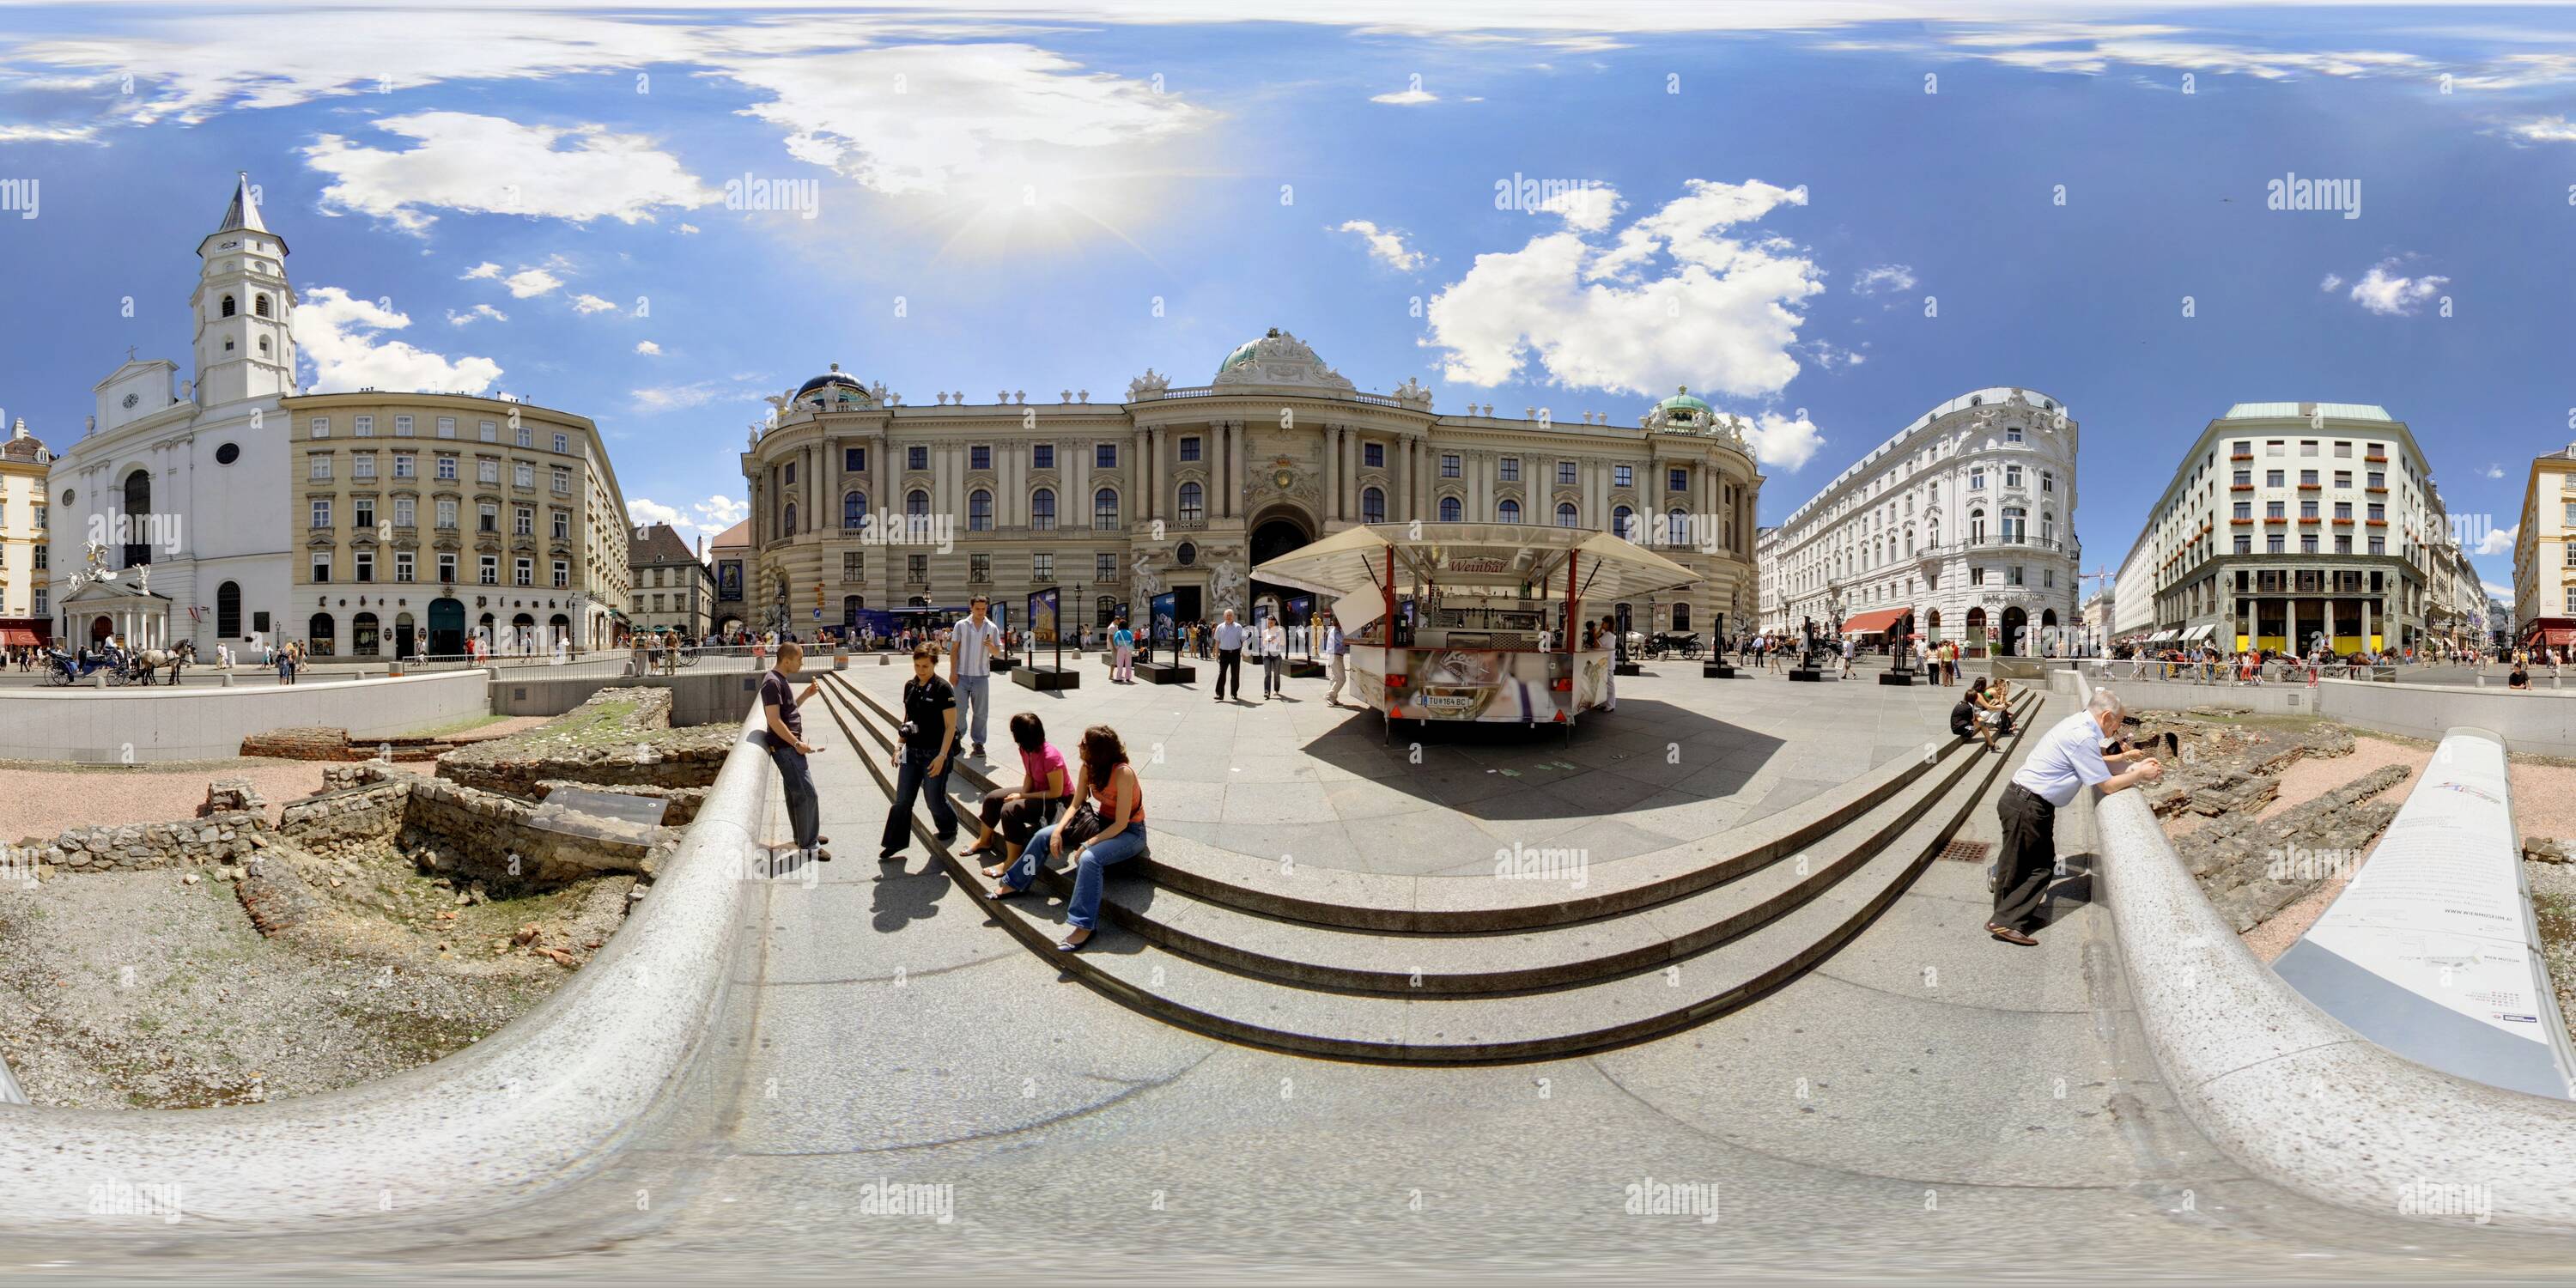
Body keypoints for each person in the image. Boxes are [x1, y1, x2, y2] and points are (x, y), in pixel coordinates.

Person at [1988, 689, 2163, 945]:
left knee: (2017, 864)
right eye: (2117, 722)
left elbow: (2098, 763)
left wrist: (2133, 766)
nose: (2116, 730)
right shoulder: (2082, 736)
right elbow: (2108, 786)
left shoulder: (2078, 726)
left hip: (2024, 801)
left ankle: (2013, 916)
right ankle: (2005, 921)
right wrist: (2139, 775)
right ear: (2106, 717)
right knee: (2038, 867)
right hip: (2028, 804)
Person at [994, 723, 1148, 952]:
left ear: (1098, 750)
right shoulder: (1089, 768)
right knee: (1042, 835)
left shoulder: (1122, 773)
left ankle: (1084, 925)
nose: (1079, 745)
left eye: (1084, 743)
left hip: (1130, 832)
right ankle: (1016, 882)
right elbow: (1076, 803)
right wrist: (1058, 830)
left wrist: (1088, 844)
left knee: (1089, 859)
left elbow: (1121, 823)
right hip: (1100, 823)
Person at [880, 643, 961, 862]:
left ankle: (949, 824)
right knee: (902, 799)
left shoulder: (943, 689)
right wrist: (898, 746)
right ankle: (894, 842)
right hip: (911, 750)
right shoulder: (910, 686)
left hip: (935, 751)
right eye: (917, 665)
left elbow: (950, 727)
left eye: (925, 666)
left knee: (933, 799)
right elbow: (908, 720)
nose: (920, 670)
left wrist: (942, 756)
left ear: (934, 664)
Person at [971, 713, 1072, 876]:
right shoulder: (1026, 749)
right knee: (993, 798)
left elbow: (1056, 792)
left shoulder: (1051, 757)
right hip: (1039, 790)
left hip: (1059, 802)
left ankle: (1011, 860)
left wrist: (1023, 797)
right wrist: (1024, 793)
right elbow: (1029, 774)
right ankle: (984, 840)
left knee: (1010, 810)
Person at [760, 641, 829, 864]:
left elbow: (787, 711)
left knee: (796, 794)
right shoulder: (772, 683)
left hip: (789, 747)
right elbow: (774, 720)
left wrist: (806, 695)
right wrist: (796, 744)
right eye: (800, 659)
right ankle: (809, 845)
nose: (802, 663)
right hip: (786, 749)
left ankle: (805, 834)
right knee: (808, 794)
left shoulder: (779, 680)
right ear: (787, 661)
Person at [949, 595, 1005, 759]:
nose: (981, 612)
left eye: (983, 609)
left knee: (981, 712)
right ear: (971, 608)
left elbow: (998, 653)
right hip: (962, 675)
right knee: (959, 710)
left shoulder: (992, 627)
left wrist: (991, 646)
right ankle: (957, 736)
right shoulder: (960, 626)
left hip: (981, 676)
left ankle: (979, 743)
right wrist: (953, 672)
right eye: (977, 609)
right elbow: (954, 650)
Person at [1950, 681, 1997, 753]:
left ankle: (1991, 743)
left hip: (1955, 726)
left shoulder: (1962, 703)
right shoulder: (1970, 707)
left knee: (1981, 722)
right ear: (1975, 699)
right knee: (1982, 724)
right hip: (1961, 729)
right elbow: (1973, 719)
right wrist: (1979, 718)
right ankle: (1991, 744)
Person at [1212, 608, 1246, 702]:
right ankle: (1219, 694)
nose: (1229, 617)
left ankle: (1234, 693)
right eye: (1227, 615)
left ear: (1233, 616)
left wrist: (1244, 651)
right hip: (1224, 653)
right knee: (1222, 673)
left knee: (1235, 674)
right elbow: (1217, 642)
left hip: (1235, 653)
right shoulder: (1220, 627)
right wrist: (1216, 654)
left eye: (1230, 615)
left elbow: (1243, 640)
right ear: (1224, 616)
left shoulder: (1238, 627)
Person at [1322, 611, 1350, 706]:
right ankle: (1329, 695)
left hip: (1334, 656)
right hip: (1335, 656)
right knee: (1342, 679)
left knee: (1334, 678)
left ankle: (1333, 699)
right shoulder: (1335, 631)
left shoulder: (1335, 630)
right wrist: (1354, 640)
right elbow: (1343, 641)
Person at [1261, 613, 1287, 699]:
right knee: (1267, 674)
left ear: (1275, 621)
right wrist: (1266, 639)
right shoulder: (1265, 632)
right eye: (1269, 622)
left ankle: (1276, 690)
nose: (1270, 623)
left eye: (1272, 621)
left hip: (1276, 654)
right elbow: (1263, 644)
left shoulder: (1280, 631)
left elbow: (1283, 643)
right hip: (1267, 654)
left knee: (1277, 674)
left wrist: (1276, 639)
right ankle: (1266, 691)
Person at [1110, 617, 1136, 683]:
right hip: (1128, 648)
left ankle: (1119, 677)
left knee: (1120, 663)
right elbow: (1132, 641)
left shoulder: (1118, 632)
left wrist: (1117, 646)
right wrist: (1129, 645)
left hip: (1121, 648)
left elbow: (1115, 640)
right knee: (1128, 663)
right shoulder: (1129, 632)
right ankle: (1128, 677)